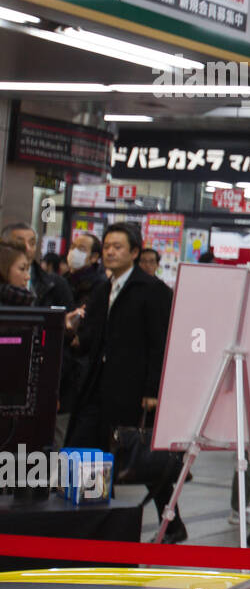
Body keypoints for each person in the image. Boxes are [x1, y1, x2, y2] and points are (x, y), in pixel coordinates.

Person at [65, 222, 181, 541]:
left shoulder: (153, 290)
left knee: (130, 453)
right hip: (97, 385)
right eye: (106, 247)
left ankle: (169, 520)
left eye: (118, 246)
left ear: (133, 252)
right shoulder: (103, 289)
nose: (111, 251)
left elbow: (161, 343)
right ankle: (96, 515)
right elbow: (91, 339)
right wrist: (70, 333)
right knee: (86, 445)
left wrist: (153, 390)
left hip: (131, 389)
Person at [66, 233, 107, 307]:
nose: (74, 252)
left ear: (94, 257)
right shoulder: (64, 279)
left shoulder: (99, 284)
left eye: (81, 249)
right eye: (72, 247)